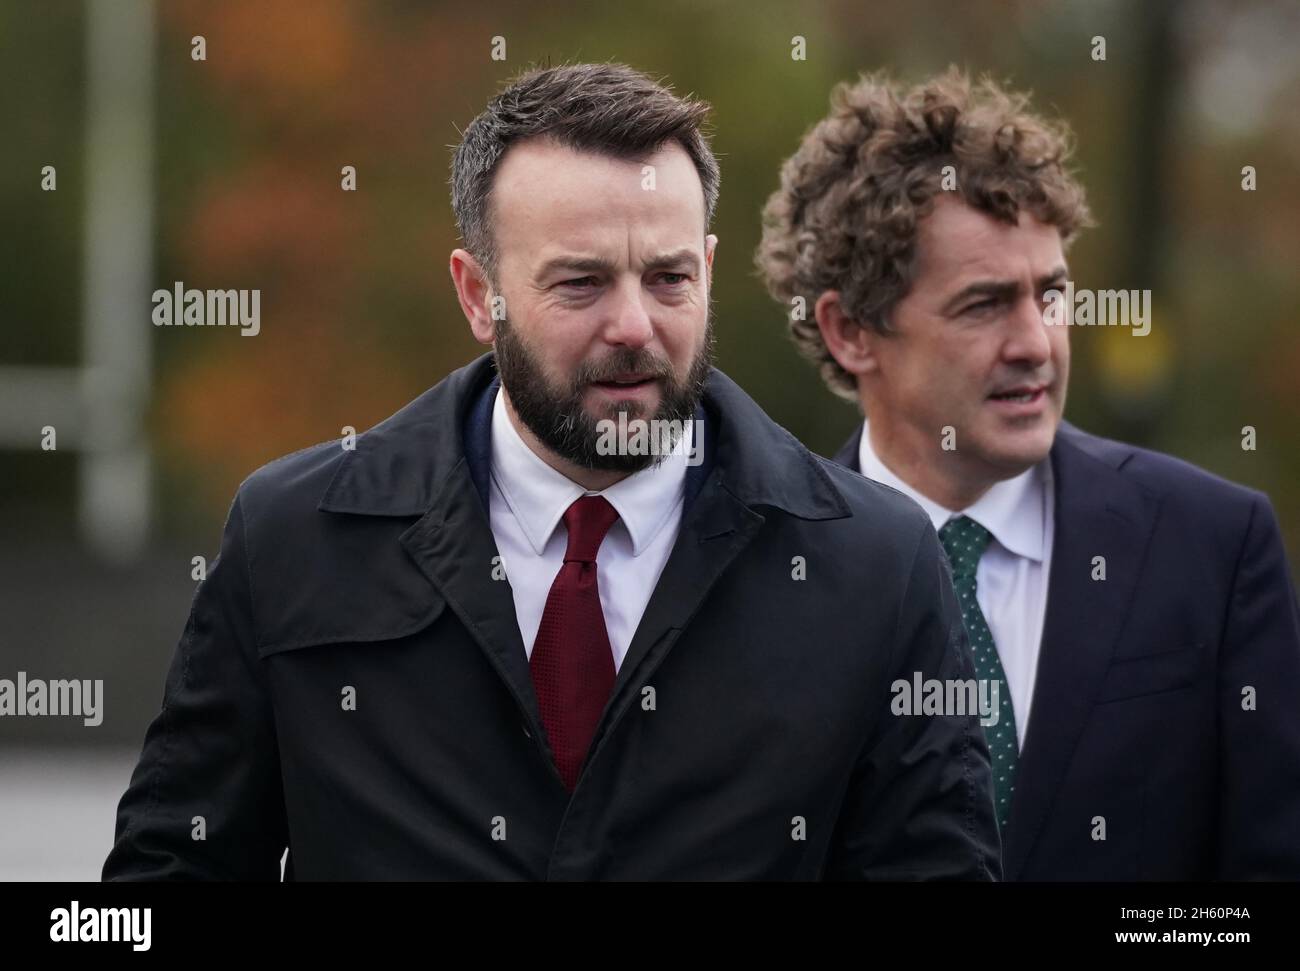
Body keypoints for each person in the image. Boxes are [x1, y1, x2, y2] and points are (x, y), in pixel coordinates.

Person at [104, 62, 999, 881]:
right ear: (475, 294)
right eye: (580, 284)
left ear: (710, 271)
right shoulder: (296, 539)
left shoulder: (874, 566)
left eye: (668, 278)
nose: (634, 327)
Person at [756, 67, 1300, 880]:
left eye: (1050, 295)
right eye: (983, 304)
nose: (1037, 344)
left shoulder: (1212, 547)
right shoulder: (762, 580)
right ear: (849, 331)